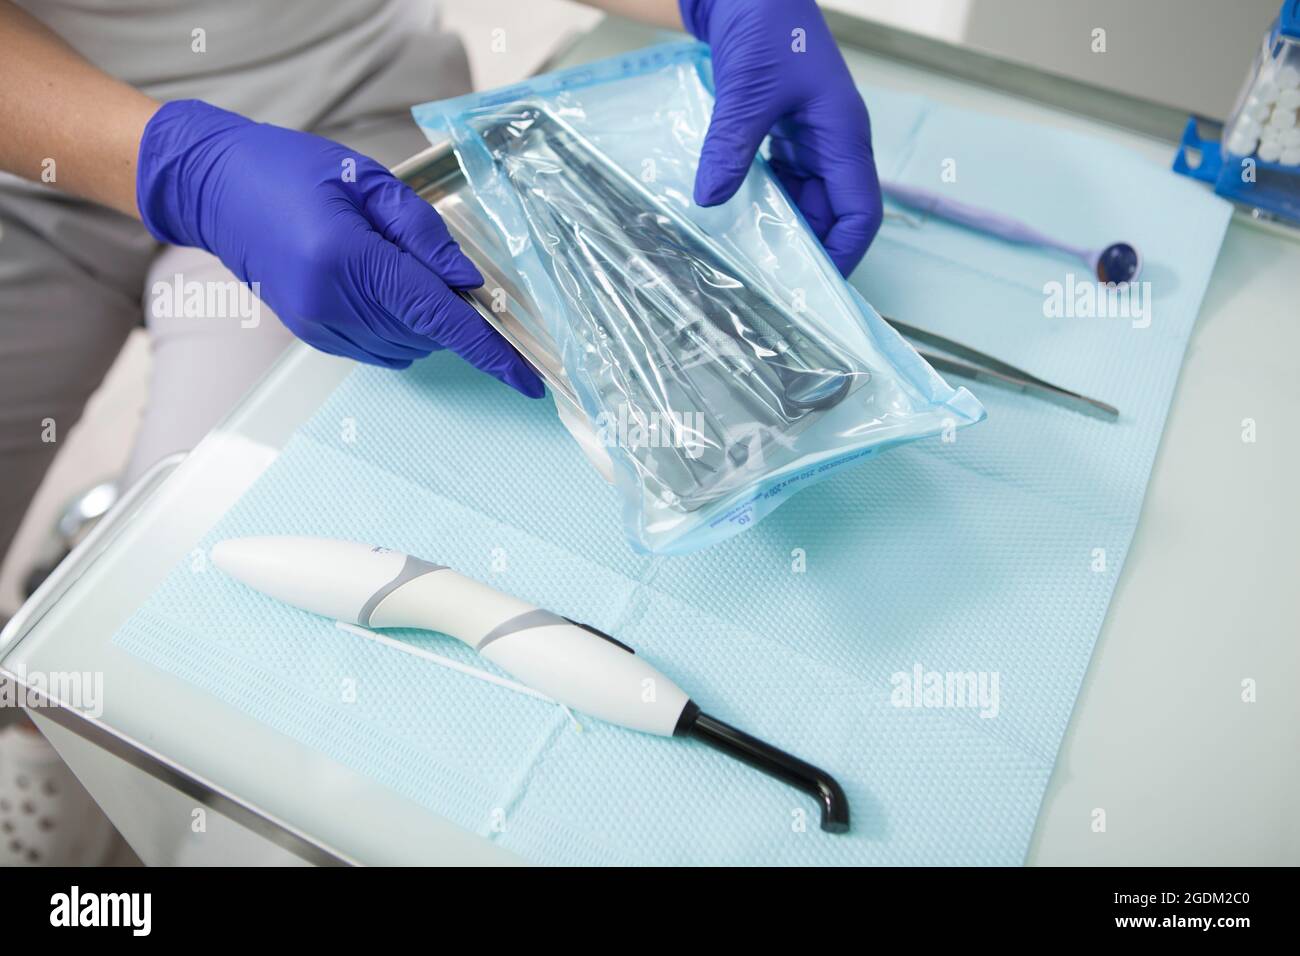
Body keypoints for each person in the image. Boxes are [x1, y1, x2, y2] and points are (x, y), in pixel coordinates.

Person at [0, 0, 881, 864]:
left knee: (178, 628)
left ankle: (71, 741)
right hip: (28, 136)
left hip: (340, 145)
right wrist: (180, 165)